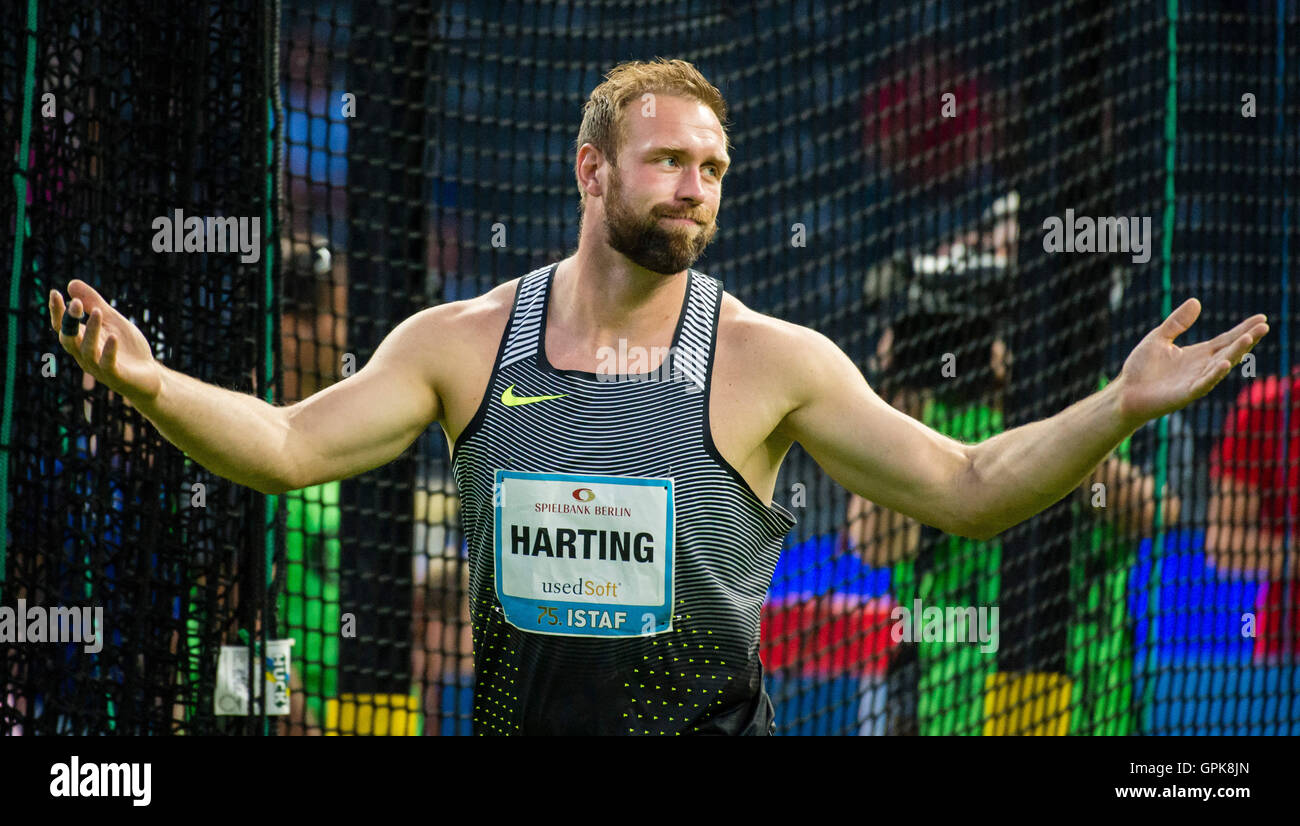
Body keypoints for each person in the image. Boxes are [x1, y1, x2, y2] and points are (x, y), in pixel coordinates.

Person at [49, 57, 1269, 735]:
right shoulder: (463, 340)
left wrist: (1116, 404)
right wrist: (151, 385)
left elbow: (961, 489)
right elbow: (282, 445)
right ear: (591, 169)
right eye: (671, 160)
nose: (697, 187)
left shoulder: (772, 357)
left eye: (716, 169)